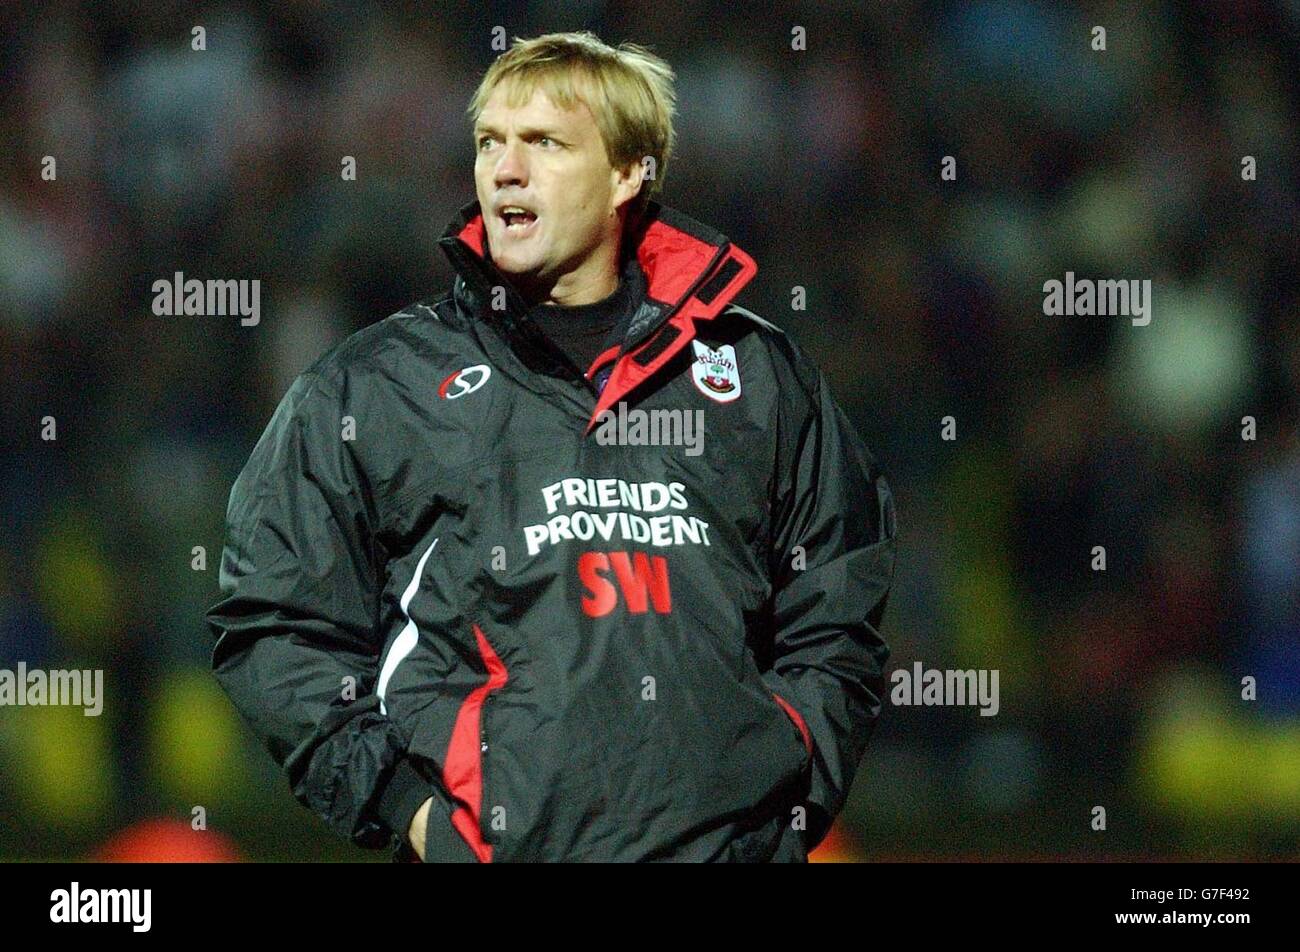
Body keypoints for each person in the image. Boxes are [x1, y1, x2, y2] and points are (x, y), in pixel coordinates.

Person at [206, 30, 896, 863]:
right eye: (489, 142)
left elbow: (838, 610)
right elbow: (275, 623)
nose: (506, 169)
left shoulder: (758, 376)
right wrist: (411, 811)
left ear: (629, 172)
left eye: (545, 143)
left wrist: (784, 803)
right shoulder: (378, 385)